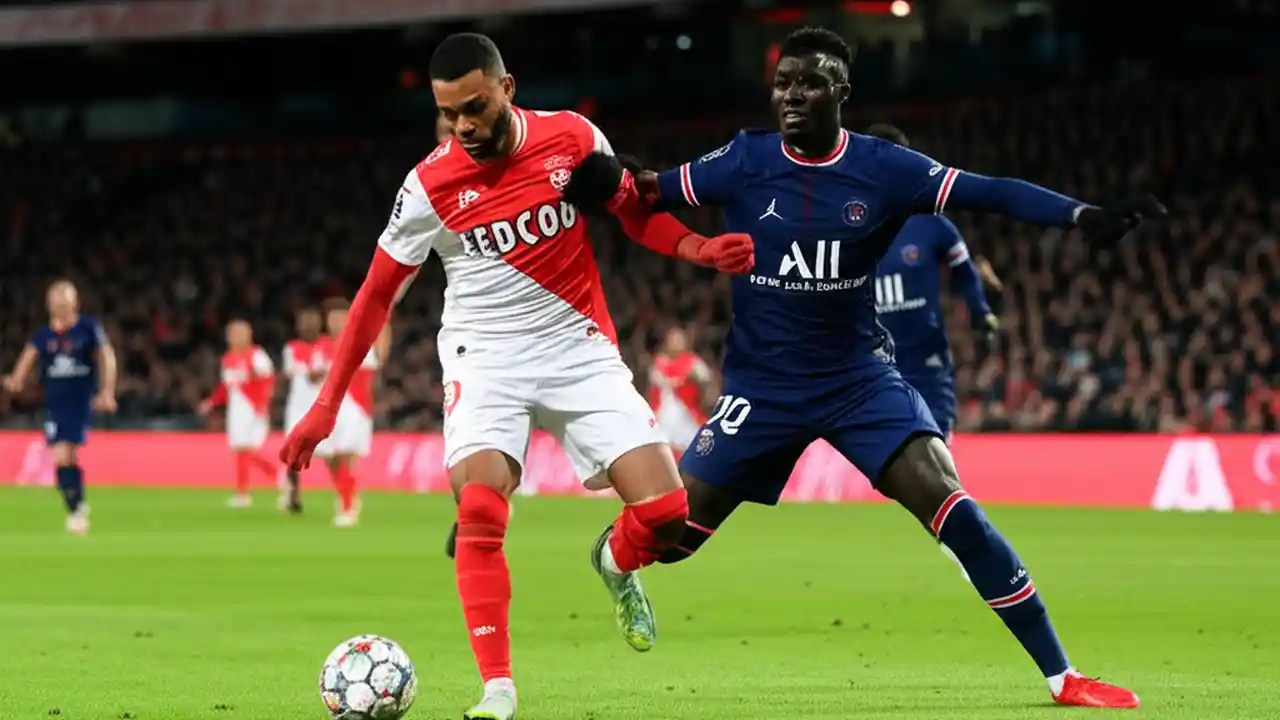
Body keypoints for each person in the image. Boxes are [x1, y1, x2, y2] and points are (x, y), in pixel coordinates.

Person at [566, 26, 1164, 710]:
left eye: (810, 82)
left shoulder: (886, 169)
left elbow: (989, 192)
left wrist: (1080, 216)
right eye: (784, 83)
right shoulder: (742, 159)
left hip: (858, 379)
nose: (792, 95)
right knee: (671, 541)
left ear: (842, 92)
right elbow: (650, 193)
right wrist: (605, 179)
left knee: (956, 507)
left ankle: (1063, 677)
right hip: (764, 390)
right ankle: (612, 562)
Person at [279, 33, 754, 720]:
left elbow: (634, 212)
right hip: (485, 357)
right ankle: (497, 688)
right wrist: (328, 404)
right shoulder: (427, 186)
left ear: (508, 87)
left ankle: (616, 563)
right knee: (478, 507)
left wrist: (698, 246)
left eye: (474, 106)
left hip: (577, 347)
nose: (464, 125)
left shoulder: (572, 138)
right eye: (449, 114)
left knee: (667, 517)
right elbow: (374, 297)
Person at [2, 280, 116, 533]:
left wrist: (107, 391)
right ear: (49, 305)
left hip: (79, 401)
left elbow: (107, 356)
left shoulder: (88, 328)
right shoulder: (44, 336)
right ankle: (77, 504)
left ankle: (76, 510)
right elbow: (28, 356)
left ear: (75, 303)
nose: (61, 306)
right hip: (55, 403)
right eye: (56, 302)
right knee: (63, 459)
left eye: (65, 301)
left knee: (64, 454)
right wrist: (17, 379)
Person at [311, 297, 391, 527]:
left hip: (354, 408)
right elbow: (316, 375)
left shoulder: (360, 342)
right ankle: (345, 496)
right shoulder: (322, 347)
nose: (336, 322)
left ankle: (348, 506)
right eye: (332, 318)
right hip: (329, 408)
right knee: (331, 458)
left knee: (346, 455)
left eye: (340, 317)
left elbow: (372, 368)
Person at [199, 318, 277, 507]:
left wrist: (263, 405)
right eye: (232, 334)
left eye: (239, 333)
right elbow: (226, 386)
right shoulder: (228, 359)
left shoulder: (257, 356)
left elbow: (268, 381)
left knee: (245, 448)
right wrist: (212, 402)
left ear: (249, 335)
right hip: (236, 408)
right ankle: (251, 487)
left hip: (252, 407)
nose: (235, 337)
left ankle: (266, 479)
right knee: (239, 449)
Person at [279, 307, 326, 513]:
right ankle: (293, 493)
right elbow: (295, 373)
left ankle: (345, 497)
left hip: (323, 407)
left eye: (312, 321)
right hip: (298, 407)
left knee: (333, 454)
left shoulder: (328, 345)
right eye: (304, 322)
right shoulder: (291, 348)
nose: (308, 325)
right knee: (293, 452)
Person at [648, 326, 714, 459]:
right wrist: (677, 381)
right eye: (672, 339)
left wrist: (695, 378)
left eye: (679, 339)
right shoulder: (660, 361)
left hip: (688, 413)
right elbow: (657, 380)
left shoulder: (692, 361)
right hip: (665, 413)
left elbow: (706, 377)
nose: (675, 343)